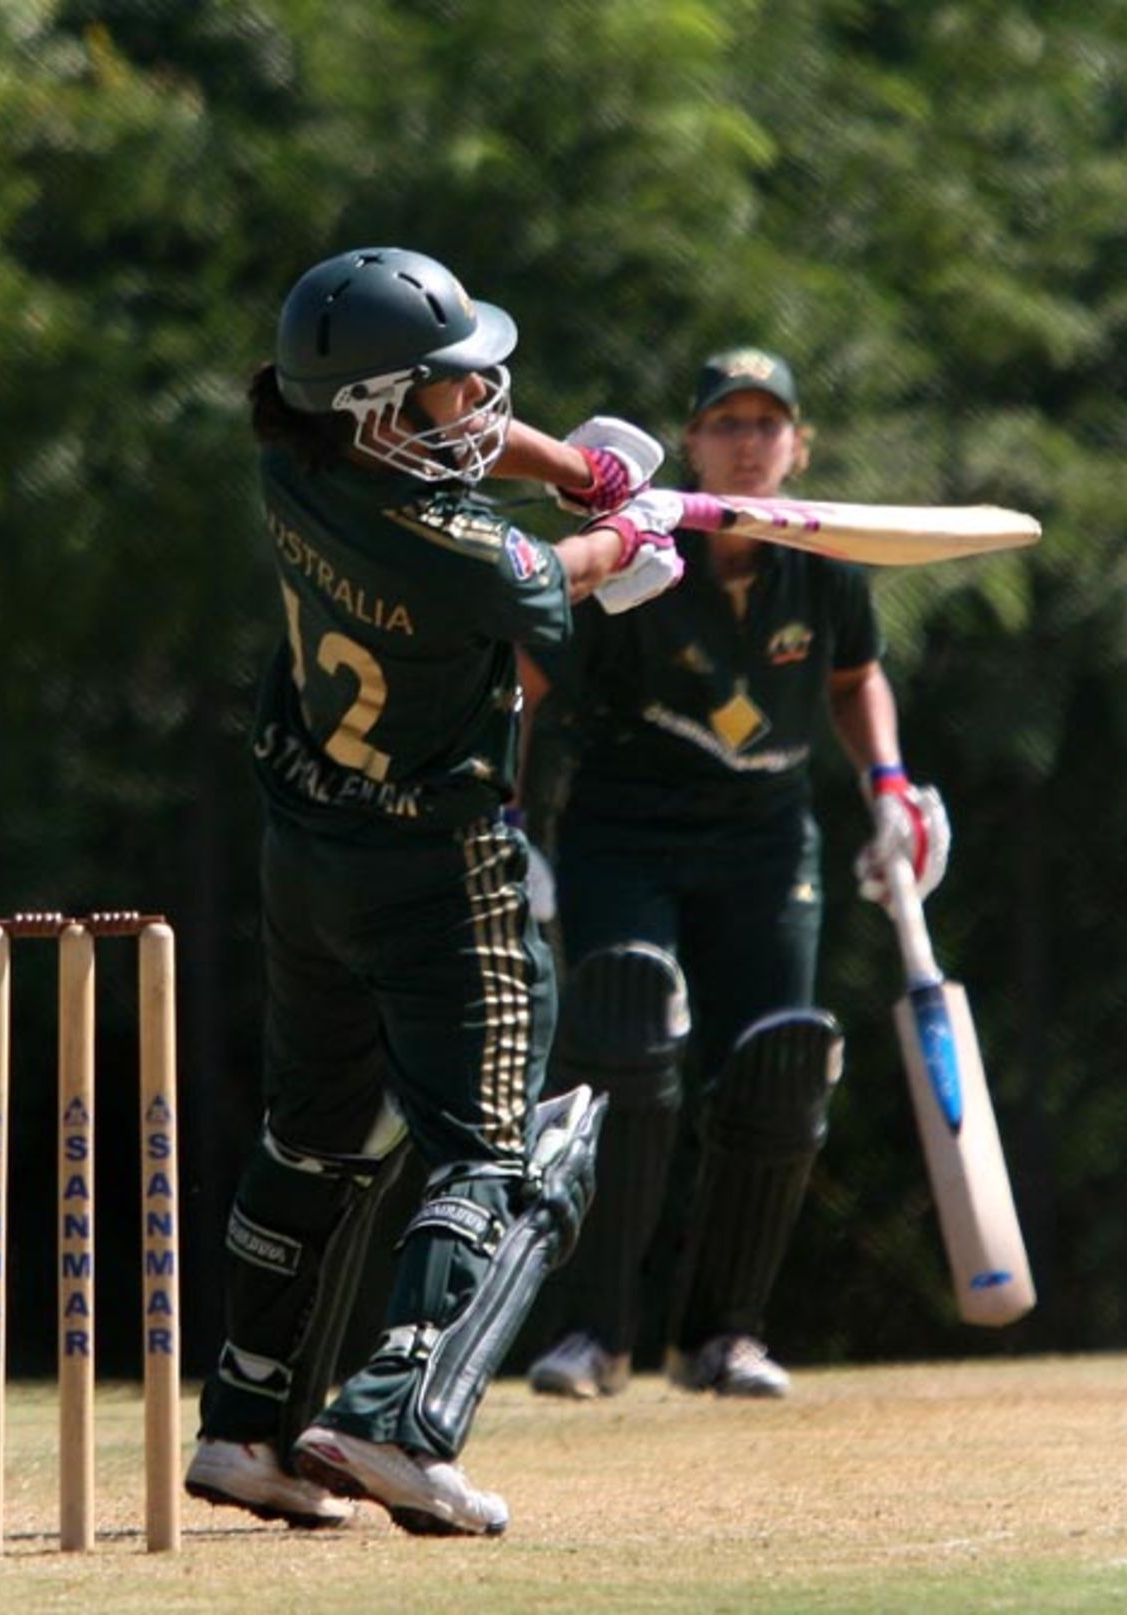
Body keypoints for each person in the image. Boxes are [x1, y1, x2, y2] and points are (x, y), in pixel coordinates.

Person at [182, 245, 687, 1537]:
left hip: (306, 858)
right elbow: (545, 586)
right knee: (507, 1147)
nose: (474, 408)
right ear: (376, 409)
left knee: (314, 1131)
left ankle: (244, 1428)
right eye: (447, 392)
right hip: (439, 873)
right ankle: (399, 1418)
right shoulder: (473, 562)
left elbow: (468, 454)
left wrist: (582, 466)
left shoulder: (290, 465)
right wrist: (632, 530)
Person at [521, 346, 950, 1401]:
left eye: (769, 425)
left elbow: (855, 680)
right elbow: (526, 677)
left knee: (780, 1065)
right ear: (694, 440)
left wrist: (889, 786)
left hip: (766, 836)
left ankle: (724, 1334)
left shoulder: (826, 558)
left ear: (799, 445)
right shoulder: (639, 548)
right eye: (728, 424)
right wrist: (509, 821)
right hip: (626, 826)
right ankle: (594, 1333)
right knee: (623, 1032)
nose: (749, 443)